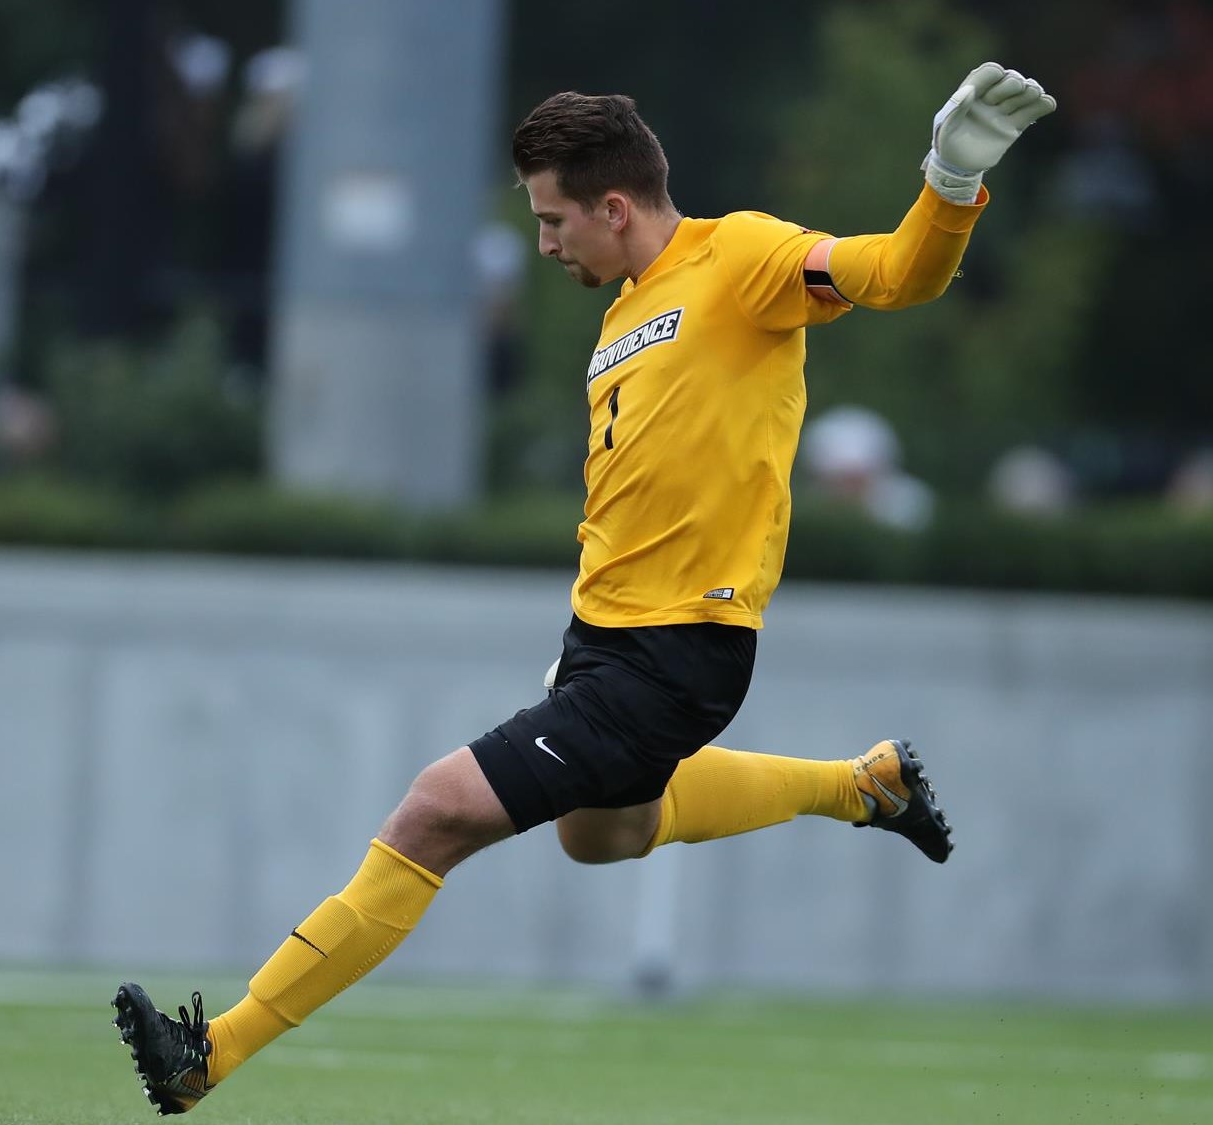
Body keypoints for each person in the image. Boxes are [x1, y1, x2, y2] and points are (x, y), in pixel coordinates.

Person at [111, 61, 1057, 1115]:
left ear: (614, 206)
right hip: (602, 642)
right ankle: (862, 785)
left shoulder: (739, 256)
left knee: (431, 812)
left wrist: (950, 177)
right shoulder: (622, 315)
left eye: (554, 219)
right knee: (599, 835)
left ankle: (212, 1053)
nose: (544, 241)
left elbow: (896, 274)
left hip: (678, 652)